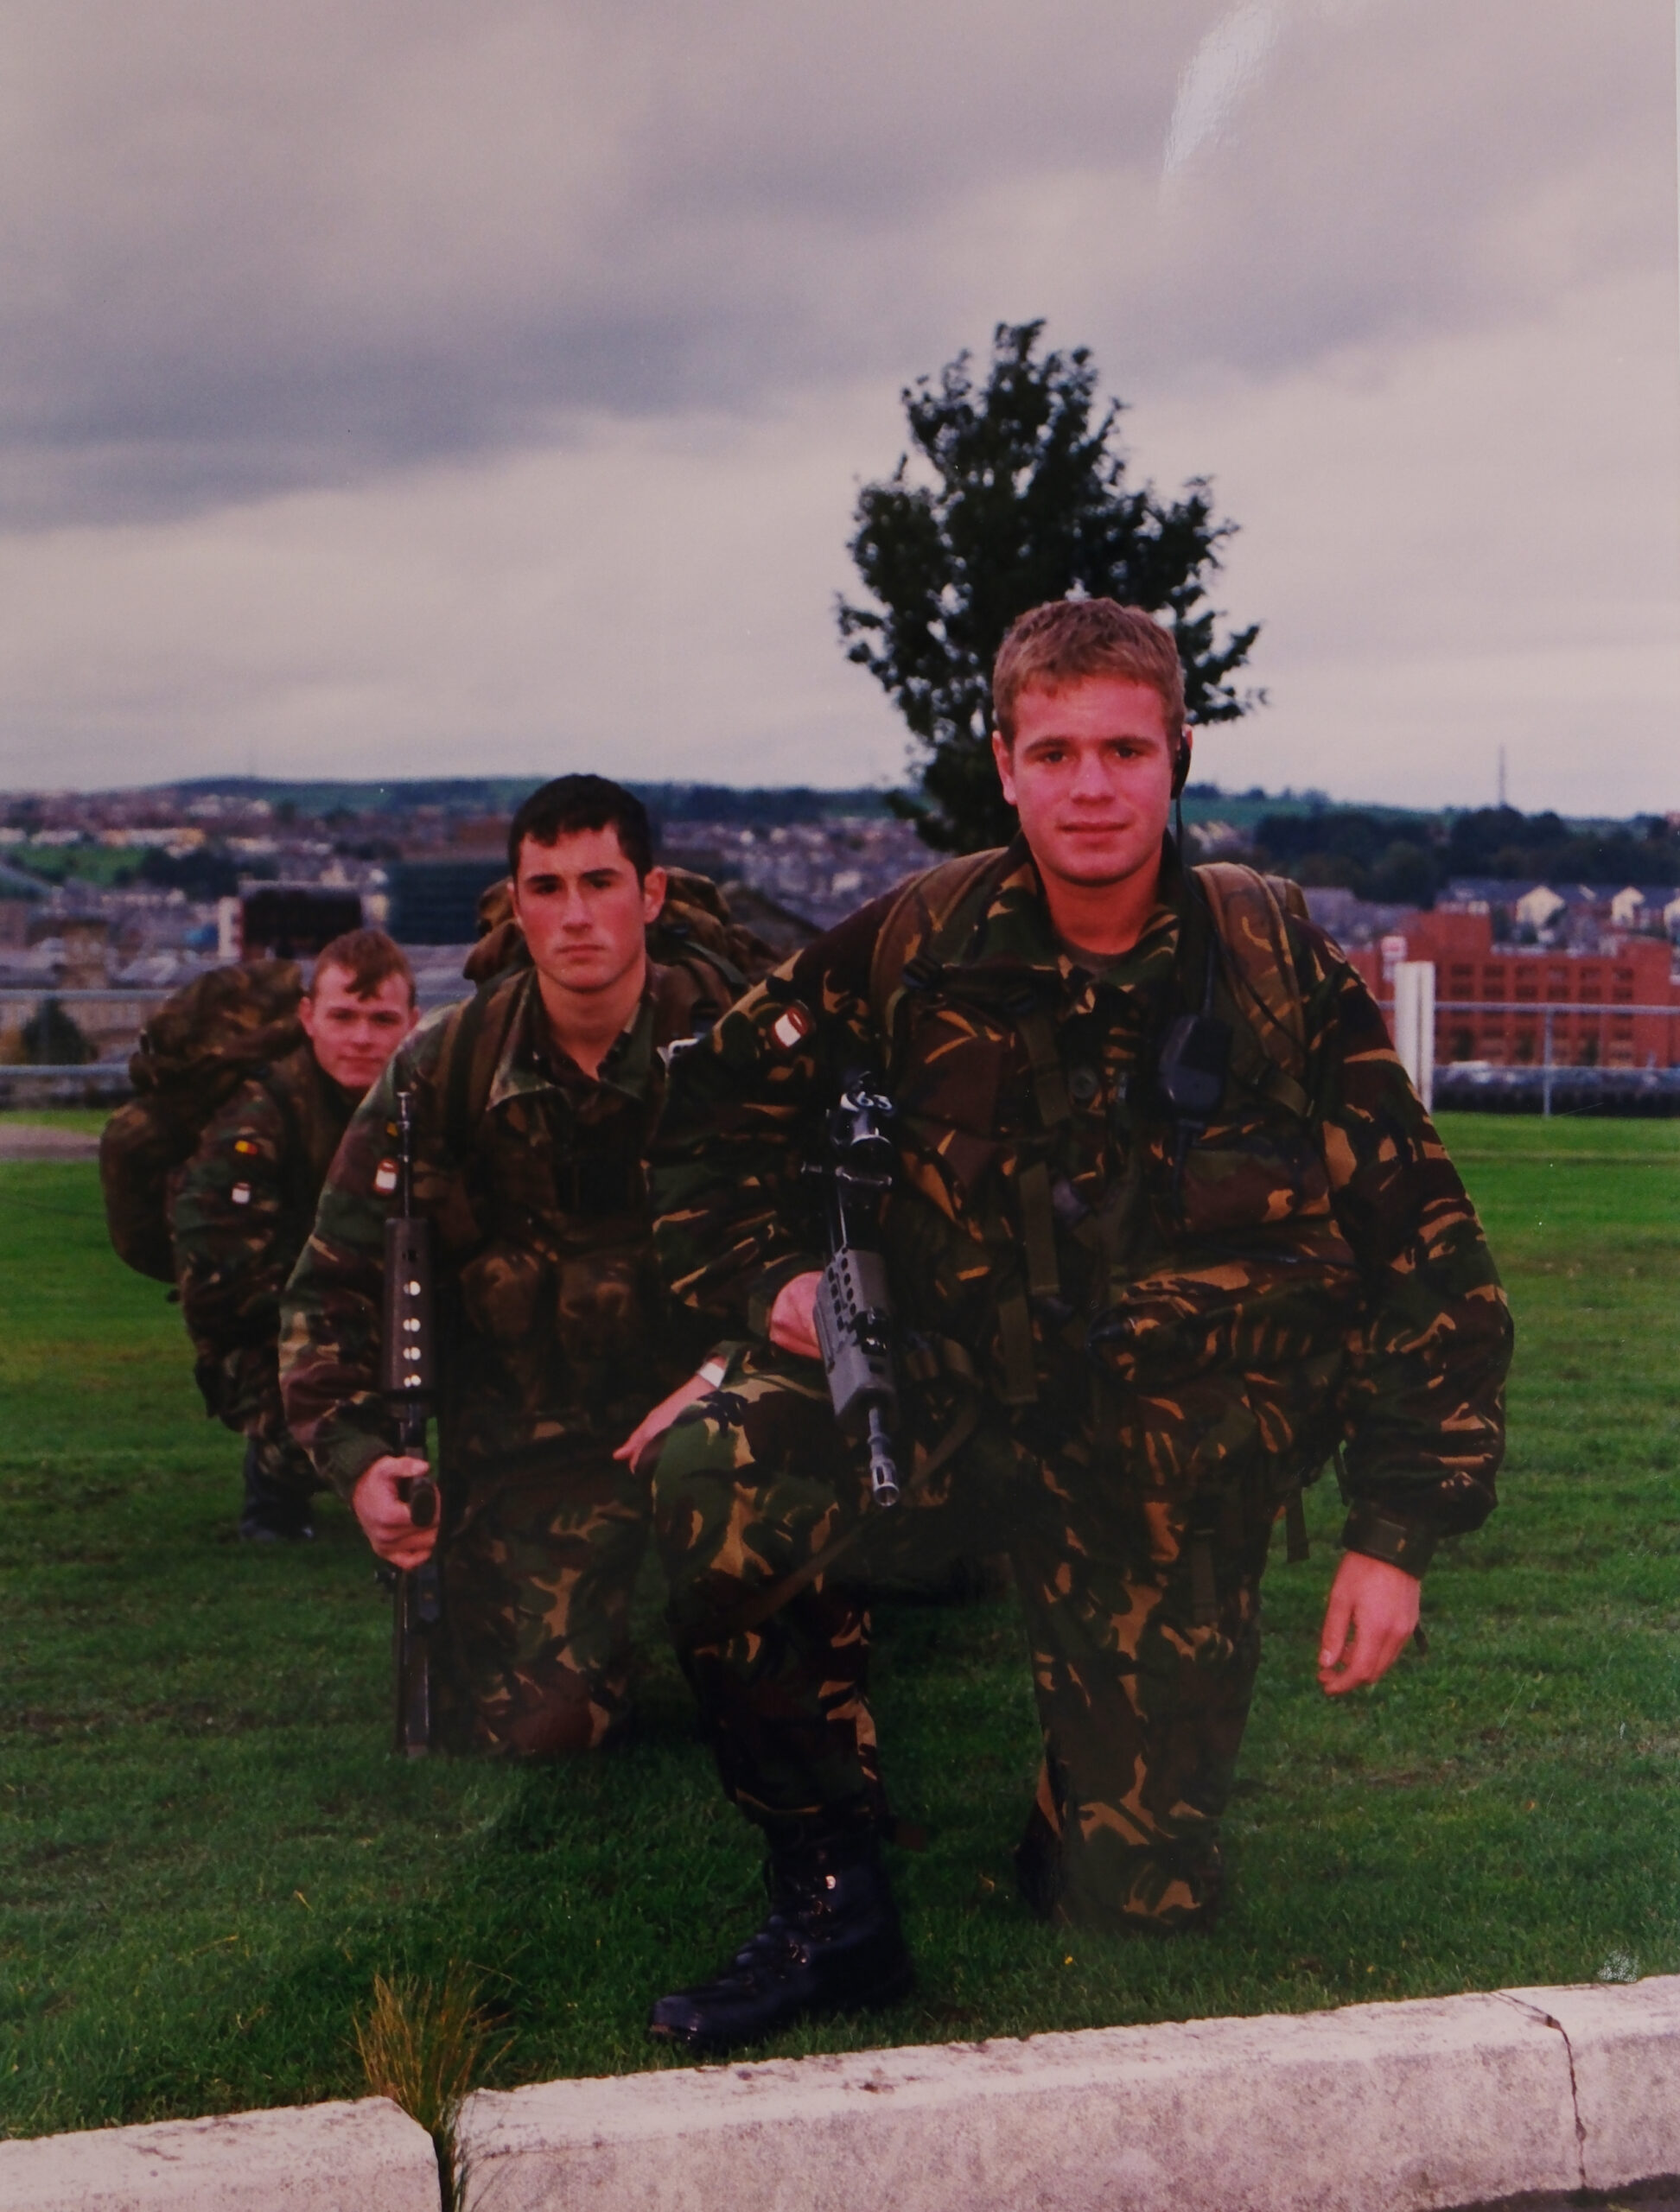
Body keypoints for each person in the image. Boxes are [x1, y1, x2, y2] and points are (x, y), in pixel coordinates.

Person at [636, 597, 1513, 2051]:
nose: (1090, 786)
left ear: (1176, 755)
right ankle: (830, 1896)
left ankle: (1080, 1799)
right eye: (1053, 751)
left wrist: (1391, 1532)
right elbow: (703, 1117)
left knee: (1131, 1899)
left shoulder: (1269, 959)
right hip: (931, 1408)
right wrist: (769, 1286)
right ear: (1001, 763)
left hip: (1147, 1470)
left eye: (1121, 747)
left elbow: (1421, 1246)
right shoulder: (909, 942)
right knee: (714, 1473)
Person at [279, 775, 734, 1757]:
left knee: (777, 1675)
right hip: (539, 1449)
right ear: (516, 903)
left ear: (650, 894)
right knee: (546, 1728)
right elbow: (332, 1284)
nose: (575, 915)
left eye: (601, 881)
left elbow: (842, 1252)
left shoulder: (738, 1046)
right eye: (547, 887)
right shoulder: (443, 1070)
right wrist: (361, 1462)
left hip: (725, 1414)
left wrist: (724, 1379)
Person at [171, 928, 418, 1541]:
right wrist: (336, 1327)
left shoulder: (426, 1106)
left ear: (412, 1023)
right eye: (343, 1016)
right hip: (269, 1332)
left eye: (381, 1018)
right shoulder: (262, 1112)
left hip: (393, 1311)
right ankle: (273, 1484)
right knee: (321, 1426)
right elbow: (218, 1281)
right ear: (308, 1017)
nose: (361, 1037)